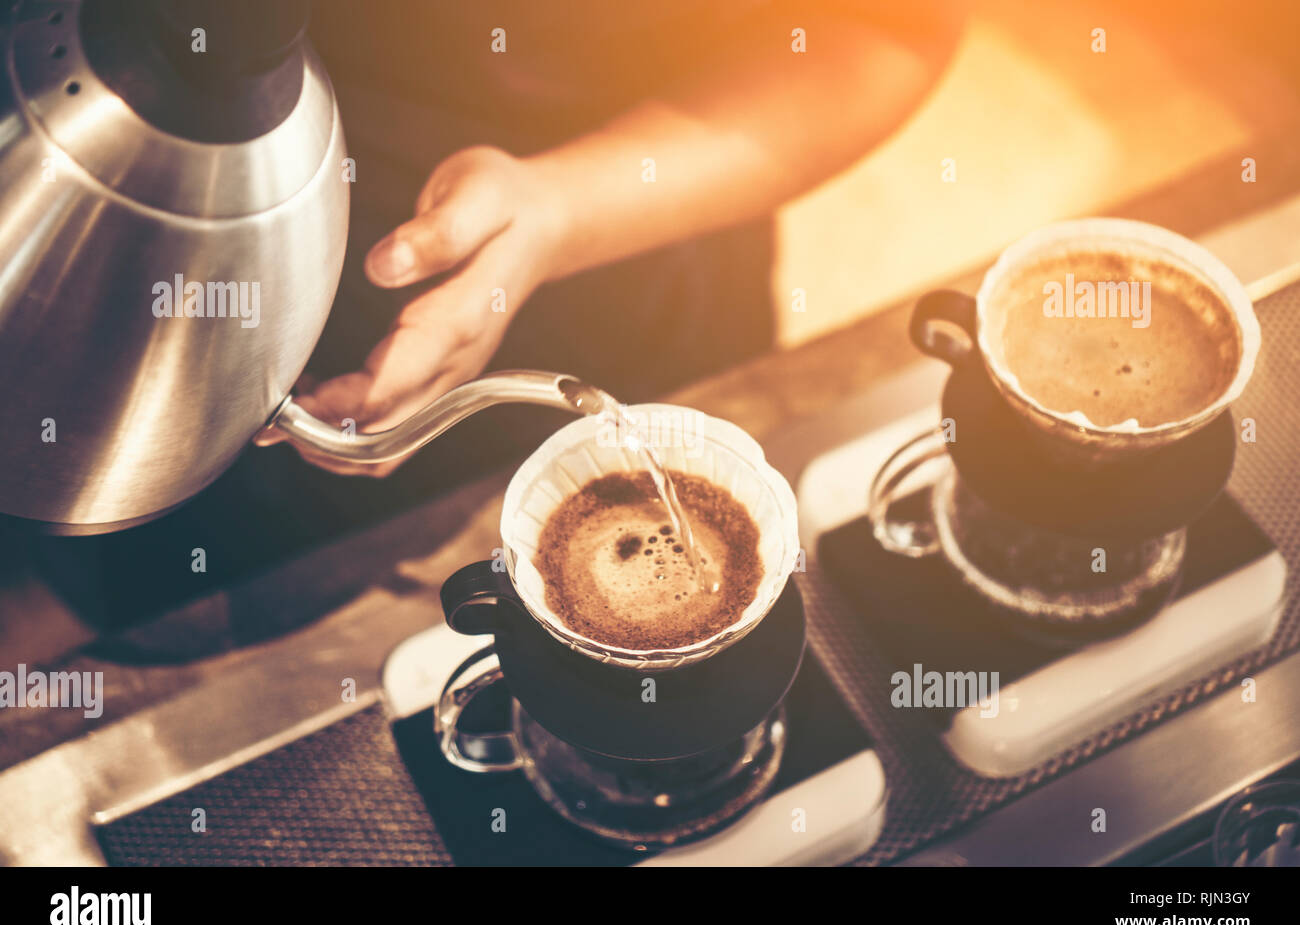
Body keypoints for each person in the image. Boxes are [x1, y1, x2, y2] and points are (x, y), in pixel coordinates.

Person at [39, 0, 966, 640]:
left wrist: (559, 210)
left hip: (648, 226)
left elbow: (885, 31)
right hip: (183, 207)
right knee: (145, 592)